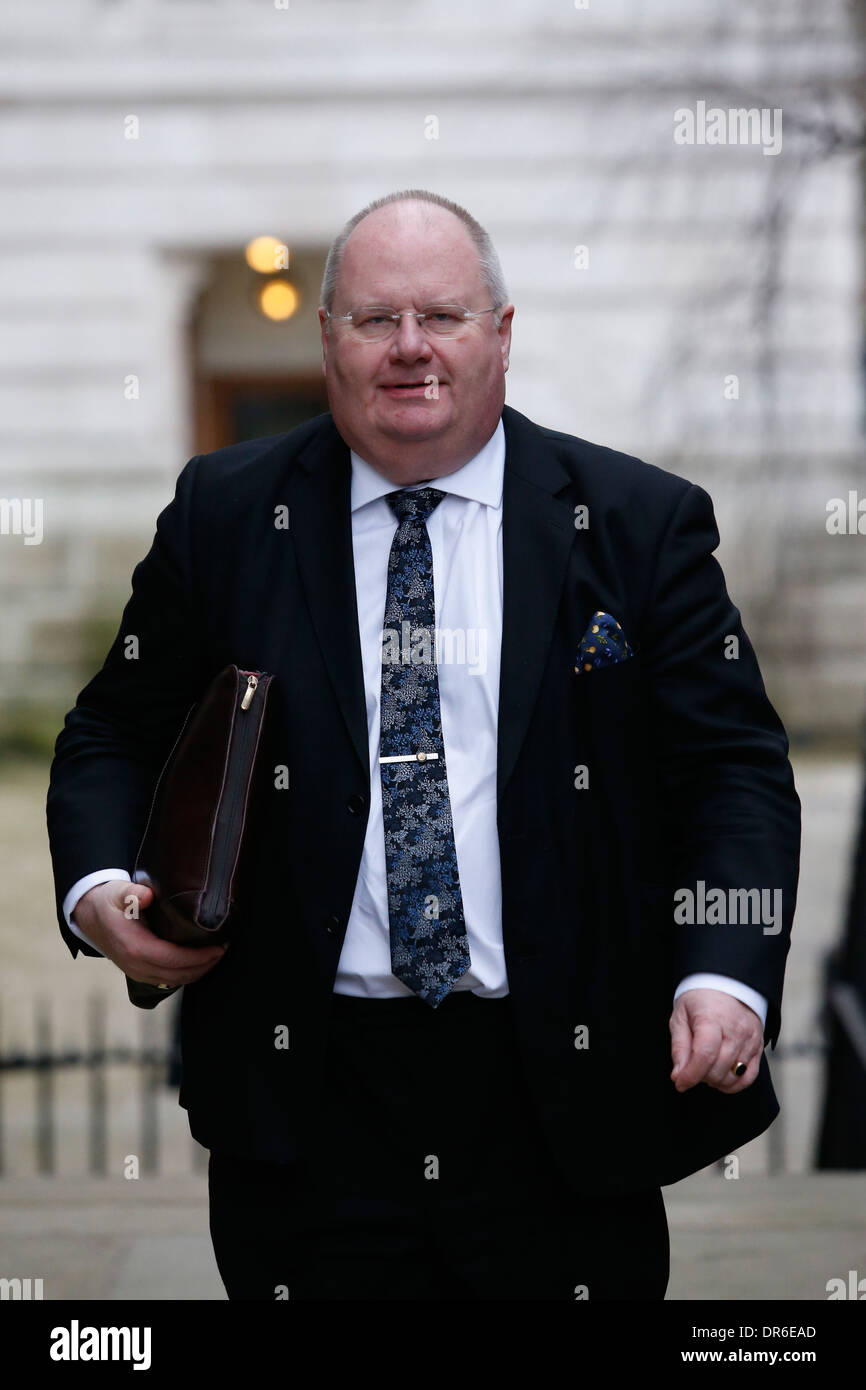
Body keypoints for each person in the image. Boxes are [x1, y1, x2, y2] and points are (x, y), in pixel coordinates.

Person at [46, 188, 801, 1301]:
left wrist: (723, 974)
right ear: (326, 339)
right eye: (373, 319)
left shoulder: (636, 521)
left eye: (441, 316)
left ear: (499, 333)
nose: (409, 349)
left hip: (559, 1095)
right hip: (308, 1097)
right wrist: (102, 886)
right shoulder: (224, 510)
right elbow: (113, 727)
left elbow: (730, 767)